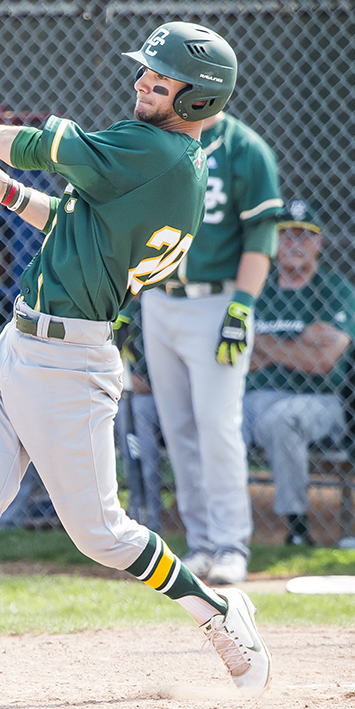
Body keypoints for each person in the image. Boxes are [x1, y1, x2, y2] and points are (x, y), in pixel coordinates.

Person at [0, 22, 271, 709]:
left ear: (199, 100)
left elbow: (51, 145)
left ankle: (217, 613)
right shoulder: (155, 158)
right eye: (146, 72)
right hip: (18, 346)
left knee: (102, 536)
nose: (144, 83)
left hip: (70, 362)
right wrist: (0, 189)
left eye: (161, 78)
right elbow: (70, 222)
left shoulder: (159, 152)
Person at [140, 79, 284, 586]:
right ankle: (200, 543)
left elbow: (262, 233)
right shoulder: (155, 138)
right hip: (158, 298)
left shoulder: (244, 148)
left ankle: (231, 544)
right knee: (176, 427)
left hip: (216, 302)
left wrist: (242, 306)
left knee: (217, 426)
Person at [246, 199, 355, 546]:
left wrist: (263, 343)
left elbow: (325, 362)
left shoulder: (334, 289)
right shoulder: (256, 288)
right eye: (287, 237)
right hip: (252, 398)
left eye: (304, 237)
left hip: (318, 401)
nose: (294, 245)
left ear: (318, 243)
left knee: (282, 420)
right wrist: (298, 342)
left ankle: (297, 528)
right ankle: (223, 528)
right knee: (215, 418)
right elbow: (236, 358)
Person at [114, 302, 165, 532]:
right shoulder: (108, 306)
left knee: (137, 410)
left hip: (162, 397)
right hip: (117, 392)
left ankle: (147, 516)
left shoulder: (157, 307)